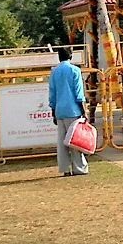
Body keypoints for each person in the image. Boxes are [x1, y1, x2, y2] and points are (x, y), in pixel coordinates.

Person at [49, 47, 88, 176]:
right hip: (73, 111)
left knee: (62, 142)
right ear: (71, 57)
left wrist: (53, 111)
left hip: (60, 111)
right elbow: (79, 93)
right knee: (75, 141)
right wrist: (84, 111)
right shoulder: (75, 70)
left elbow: (52, 93)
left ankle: (65, 169)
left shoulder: (54, 72)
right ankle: (79, 168)